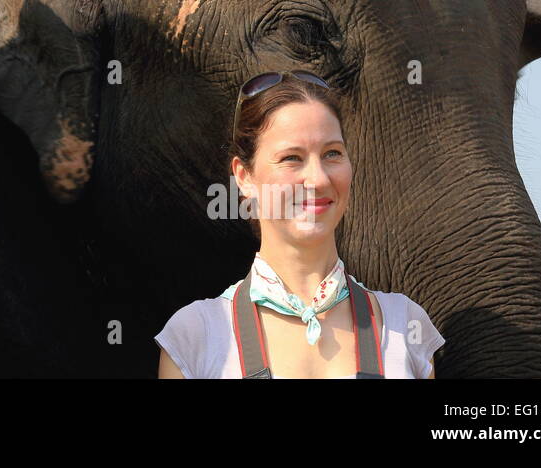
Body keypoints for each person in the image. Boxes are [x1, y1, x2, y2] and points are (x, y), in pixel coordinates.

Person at [155, 71, 446, 378]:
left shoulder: (405, 326)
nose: (319, 179)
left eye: (332, 153)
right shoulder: (195, 337)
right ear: (244, 177)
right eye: (292, 158)